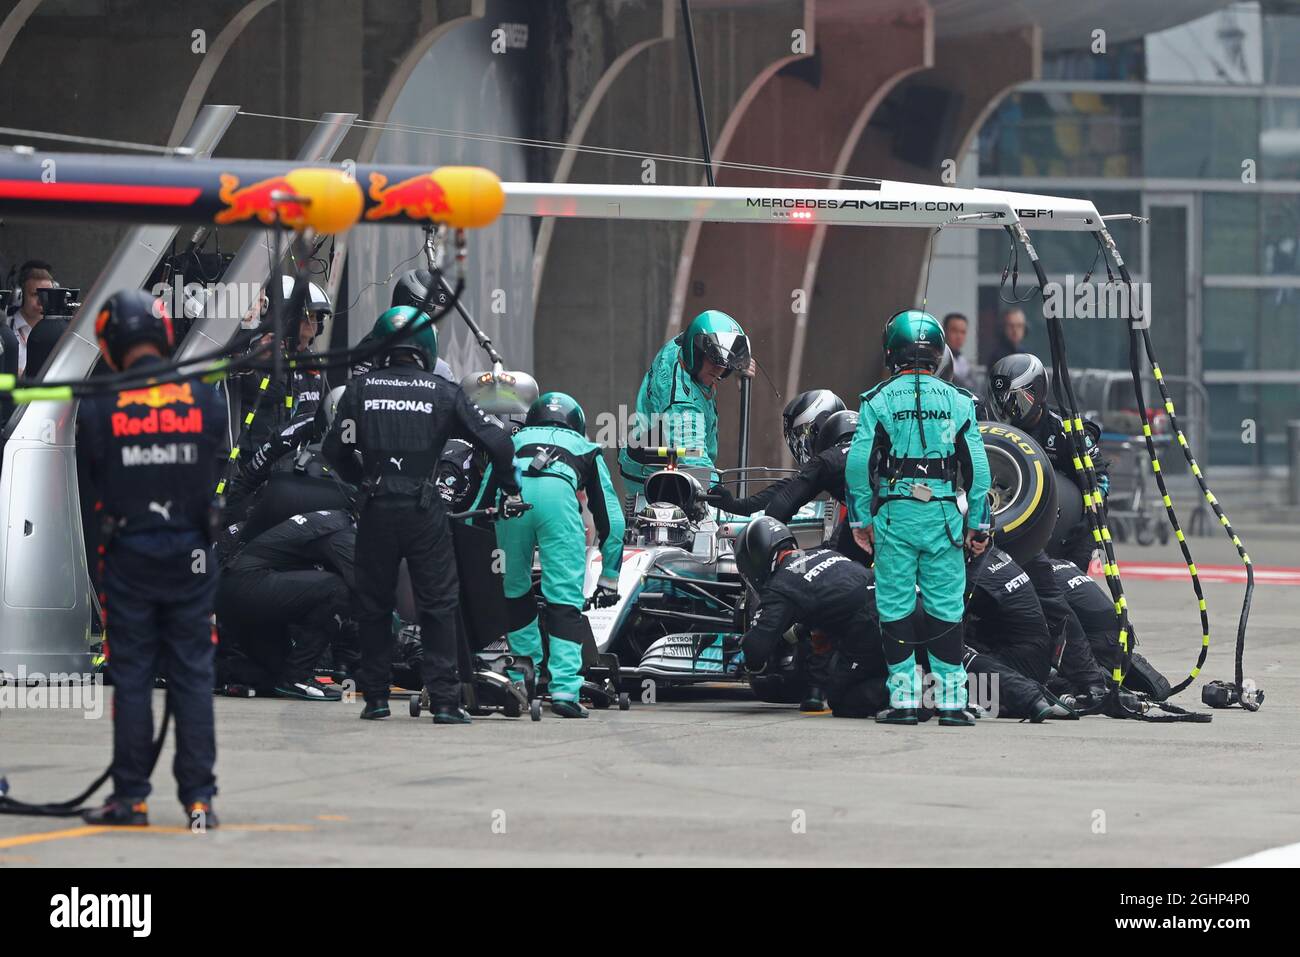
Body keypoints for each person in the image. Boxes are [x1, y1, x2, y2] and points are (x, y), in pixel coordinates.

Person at [321, 305, 520, 724]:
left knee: (373, 605)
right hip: (424, 510)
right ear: (426, 348)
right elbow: (500, 444)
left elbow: (333, 452)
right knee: (438, 604)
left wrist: (364, 481)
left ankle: (374, 699)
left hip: (376, 509)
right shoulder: (443, 393)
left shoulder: (360, 389)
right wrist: (510, 487)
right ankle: (445, 703)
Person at [77, 289, 226, 828]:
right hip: (190, 553)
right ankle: (199, 801)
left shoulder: (96, 401)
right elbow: (213, 472)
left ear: (112, 340)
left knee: (133, 676)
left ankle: (132, 798)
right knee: (192, 675)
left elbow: (93, 486)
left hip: (130, 555)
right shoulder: (205, 397)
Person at [846, 309, 991, 727]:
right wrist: (978, 523)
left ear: (892, 351)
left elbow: (858, 466)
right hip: (944, 515)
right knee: (946, 607)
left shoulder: (876, 401)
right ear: (939, 352)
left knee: (895, 606)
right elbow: (979, 471)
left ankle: (905, 702)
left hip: (895, 515)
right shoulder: (960, 401)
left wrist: (860, 518)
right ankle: (951, 703)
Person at [475, 392, 624, 718]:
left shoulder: (513, 440)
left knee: (514, 590)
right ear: (577, 424)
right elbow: (611, 520)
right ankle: (565, 692)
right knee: (564, 599)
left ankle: (520, 682)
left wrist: (474, 558)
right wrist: (609, 578)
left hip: (512, 500)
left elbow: (479, 505)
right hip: (558, 502)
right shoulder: (585, 448)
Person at [732, 517, 889, 718]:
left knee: (842, 699)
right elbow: (826, 617)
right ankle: (923, 681)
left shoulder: (781, 585)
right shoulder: (825, 553)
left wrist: (742, 652)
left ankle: (906, 691)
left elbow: (756, 648)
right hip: (903, 609)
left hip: (870, 624)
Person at [216, 509, 357, 700]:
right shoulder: (340, 530)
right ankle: (298, 678)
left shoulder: (323, 520)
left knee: (274, 676)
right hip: (251, 589)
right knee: (338, 590)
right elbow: (363, 587)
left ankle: (193, 671)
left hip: (237, 598)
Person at [987, 353, 1110, 572]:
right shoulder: (990, 427)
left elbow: (1099, 478)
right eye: (1001, 401)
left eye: (1017, 401)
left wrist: (1088, 522)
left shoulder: (1067, 430)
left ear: (1039, 391)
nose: (1008, 410)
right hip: (1013, 529)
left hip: (1069, 530)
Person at [709, 404, 871, 567]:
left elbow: (782, 503)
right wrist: (740, 506)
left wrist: (782, 554)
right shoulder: (880, 448)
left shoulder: (828, 460)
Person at [617, 309, 753, 498]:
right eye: (713, 361)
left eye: (725, 364)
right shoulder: (681, 402)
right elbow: (693, 456)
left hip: (656, 455)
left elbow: (702, 335)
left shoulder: (681, 347)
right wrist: (720, 496)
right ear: (695, 353)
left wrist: (737, 363)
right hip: (654, 475)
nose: (720, 370)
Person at [234, 276, 332, 452]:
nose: (313, 322)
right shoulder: (263, 354)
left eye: (317, 316)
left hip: (299, 453)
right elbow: (266, 392)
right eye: (307, 315)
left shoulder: (314, 364)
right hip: (256, 451)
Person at [8, 260, 54, 377]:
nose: (42, 302)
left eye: (47, 295)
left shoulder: (59, 331)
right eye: (35, 294)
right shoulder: (5, 328)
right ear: (20, 296)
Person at [941, 313, 977, 391]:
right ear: (944, 331)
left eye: (963, 332)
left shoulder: (965, 362)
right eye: (954, 331)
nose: (959, 336)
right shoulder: (937, 360)